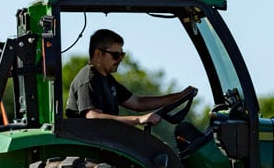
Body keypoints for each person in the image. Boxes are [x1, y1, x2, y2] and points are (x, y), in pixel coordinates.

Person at [66, 29, 196, 127]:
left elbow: (139, 103)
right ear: (98, 54)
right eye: (116, 55)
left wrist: (179, 96)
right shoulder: (89, 78)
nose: (120, 60)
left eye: (122, 55)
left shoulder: (106, 79)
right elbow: (94, 117)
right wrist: (138, 119)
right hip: (93, 144)